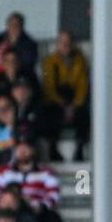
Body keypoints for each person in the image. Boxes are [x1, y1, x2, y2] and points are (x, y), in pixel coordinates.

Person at [41, 29, 90, 161]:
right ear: (57, 44)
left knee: (84, 113)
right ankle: (53, 149)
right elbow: (49, 87)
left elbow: (82, 85)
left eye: (68, 42)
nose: (66, 45)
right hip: (57, 101)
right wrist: (63, 106)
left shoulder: (80, 60)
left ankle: (79, 149)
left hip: (74, 101)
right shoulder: (50, 61)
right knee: (50, 113)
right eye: (62, 42)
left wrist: (74, 106)